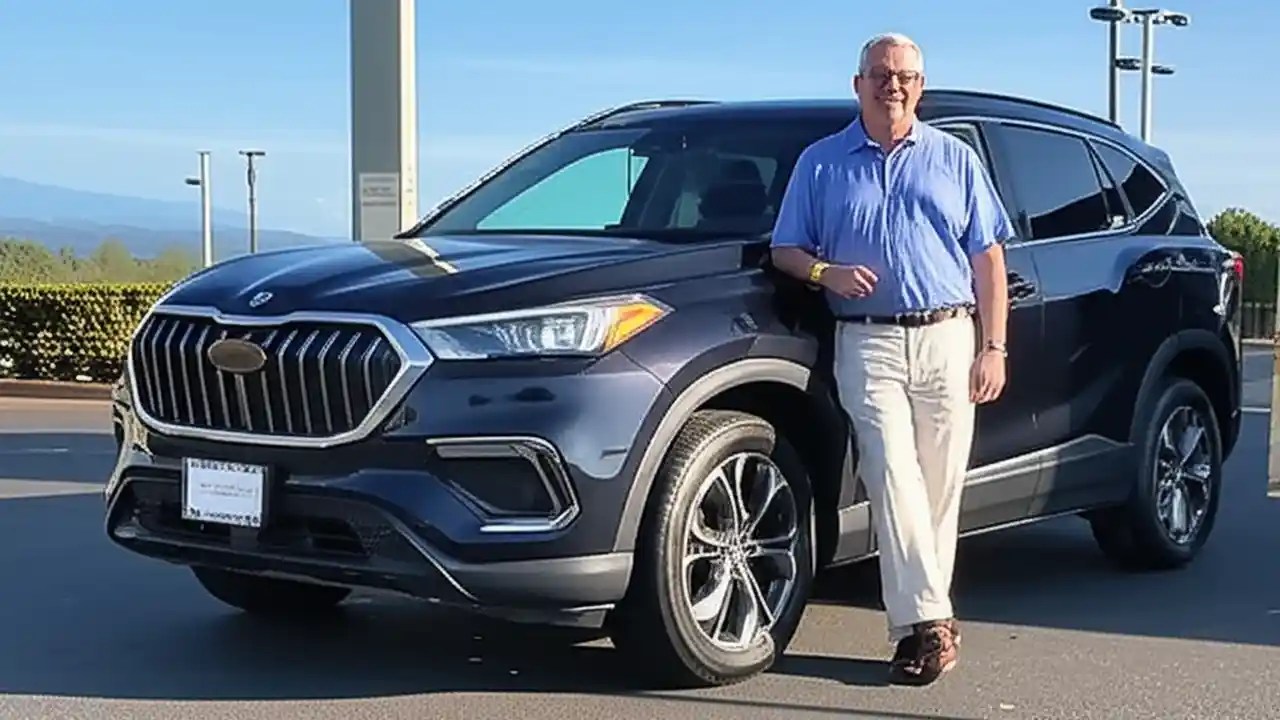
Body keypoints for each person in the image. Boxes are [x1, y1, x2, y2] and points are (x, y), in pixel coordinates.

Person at [770, 32, 1012, 685]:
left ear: (920, 86)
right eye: (880, 74)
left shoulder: (955, 159)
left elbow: (988, 257)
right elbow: (785, 249)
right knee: (891, 473)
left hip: (949, 336)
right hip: (867, 340)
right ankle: (932, 618)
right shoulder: (820, 164)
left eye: (904, 75)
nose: (892, 85)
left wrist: (994, 347)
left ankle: (916, 633)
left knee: (939, 488)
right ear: (858, 85)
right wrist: (825, 272)